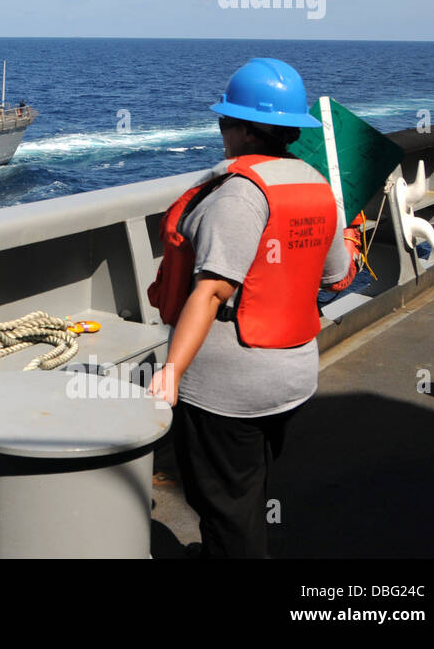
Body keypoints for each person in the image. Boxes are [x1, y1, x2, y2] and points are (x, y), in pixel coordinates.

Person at [147, 58, 356, 558]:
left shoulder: (238, 196)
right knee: (247, 488)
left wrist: (170, 374)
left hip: (228, 390)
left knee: (222, 504)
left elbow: (212, 291)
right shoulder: (314, 184)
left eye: (225, 122)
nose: (222, 133)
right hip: (293, 374)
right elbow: (334, 276)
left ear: (241, 130)